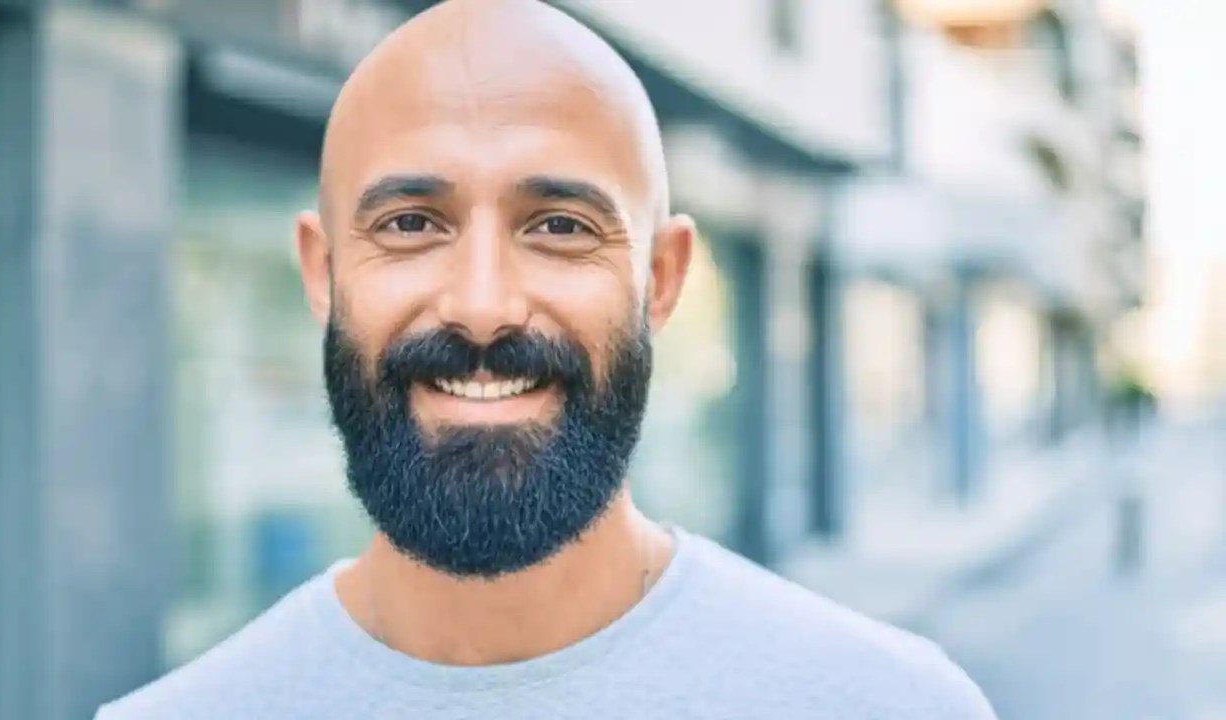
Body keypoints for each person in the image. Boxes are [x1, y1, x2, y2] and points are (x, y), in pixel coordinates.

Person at [98, 0, 996, 717]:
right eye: (410, 223)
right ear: (323, 273)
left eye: (560, 227)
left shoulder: (894, 706)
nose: (483, 305)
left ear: (661, 279)